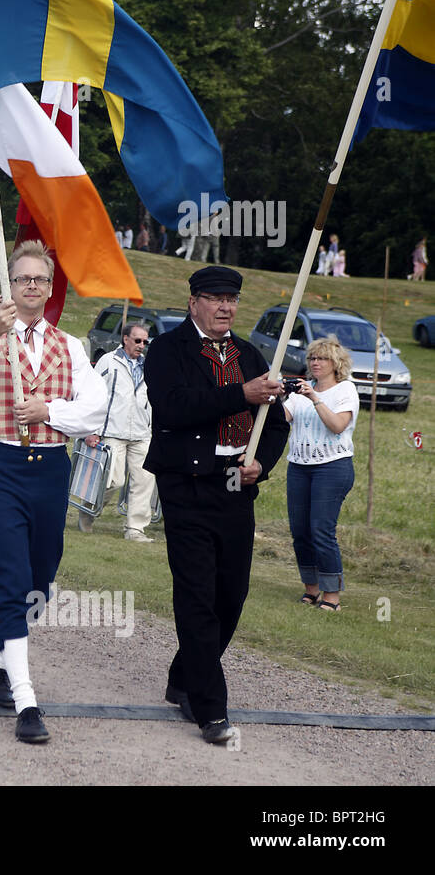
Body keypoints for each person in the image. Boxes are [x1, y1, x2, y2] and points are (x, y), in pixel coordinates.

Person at [0, 240, 106, 743]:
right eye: (24, 278)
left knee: (41, 576)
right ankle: (26, 698)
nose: (32, 285)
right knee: (8, 574)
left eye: (40, 279)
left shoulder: (71, 346)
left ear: (49, 289)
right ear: (11, 285)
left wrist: (49, 412)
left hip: (50, 467)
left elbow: (96, 409)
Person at [143, 265, 289, 745]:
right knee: (196, 593)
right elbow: (175, 408)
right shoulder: (167, 350)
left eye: (232, 299)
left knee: (232, 594)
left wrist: (260, 465)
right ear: (194, 302)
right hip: (186, 482)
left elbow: (277, 424)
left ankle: (185, 676)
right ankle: (211, 708)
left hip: (234, 483)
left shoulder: (250, 354)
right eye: (215, 298)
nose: (225, 306)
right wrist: (239, 394)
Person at [283, 336, 358, 612]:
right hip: (299, 467)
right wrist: (275, 395)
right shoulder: (300, 391)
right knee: (300, 531)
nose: (315, 363)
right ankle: (311, 589)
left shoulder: (345, 390)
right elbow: (282, 419)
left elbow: (337, 425)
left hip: (332, 467)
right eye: (312, 358)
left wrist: (314, 398)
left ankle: (332, 596)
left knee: (321, 530)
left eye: (322, 358)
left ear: (335, 363)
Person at [82, 322, 157, 541]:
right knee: (113, 481)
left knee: (144, 479)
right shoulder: (108, 361)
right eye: (137, 340)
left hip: (142, 432)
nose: (142, 345)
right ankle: (88, 511)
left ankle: (135, 528)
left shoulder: (149, 366)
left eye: (145, 341)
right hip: (113, 430)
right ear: (125, 339)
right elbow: (94, 394)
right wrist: (91, 430)